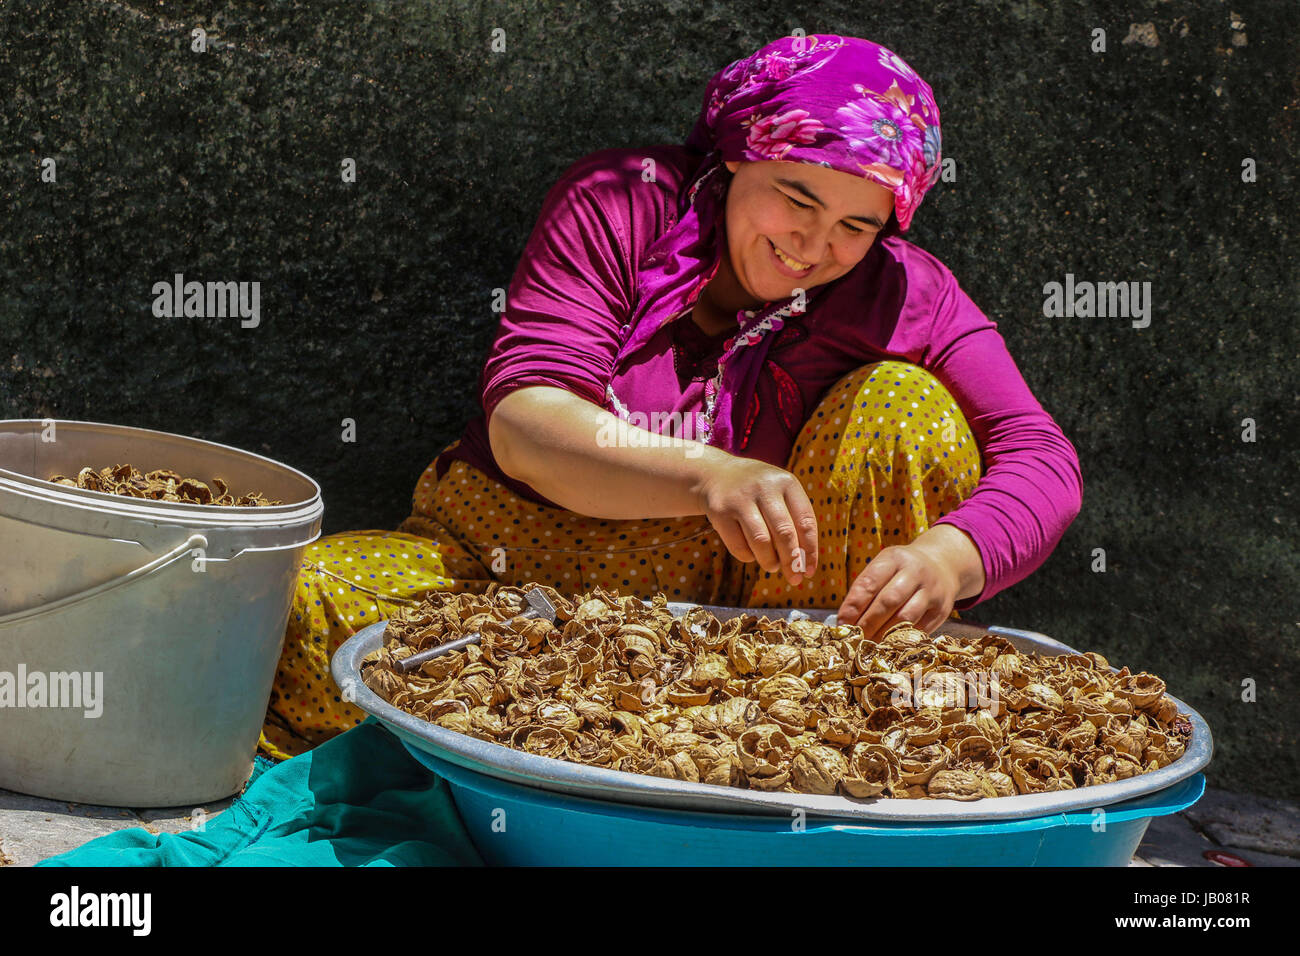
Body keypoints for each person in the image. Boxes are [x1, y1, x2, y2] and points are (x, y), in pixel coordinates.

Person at [258, 33, 1083, 762]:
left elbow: (1041, 455)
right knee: (288, 608)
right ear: (735, 156)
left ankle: (809, 733)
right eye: (797, 198)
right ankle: (569, 746)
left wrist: (949, 557)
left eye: (856, 226)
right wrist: (706, 476)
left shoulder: (904, 293)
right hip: (514, 588)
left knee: (904, 406)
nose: (814, 245)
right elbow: (527, 417)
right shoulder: (622, 202)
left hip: (757, 636)